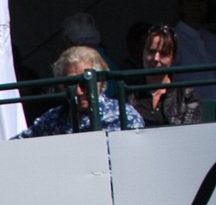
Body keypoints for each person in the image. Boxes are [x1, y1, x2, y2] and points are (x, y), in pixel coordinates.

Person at [14, 46, 145, 137]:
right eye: (69, 84)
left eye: (84, 84)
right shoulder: (53, 119)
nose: (78, 91)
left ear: (100, 83)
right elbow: (19, 145)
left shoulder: (122, 115)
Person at [130, 24, 202, 127]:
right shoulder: (128, 95)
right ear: (143, 53)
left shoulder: (187, 95)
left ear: (173, 58)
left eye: (164, 54)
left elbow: (189, 135)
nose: (156, 58)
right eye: (151, 51)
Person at [172, 0, 216, 102]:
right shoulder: (172, 39)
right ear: (180, 7)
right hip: (188, 109)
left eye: (200, 0)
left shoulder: (212, 39)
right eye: (190, 0)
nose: (196, 4)